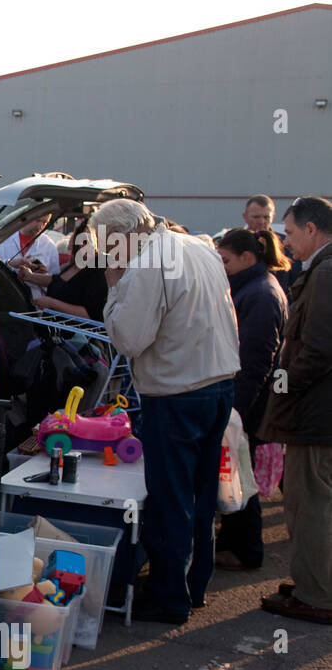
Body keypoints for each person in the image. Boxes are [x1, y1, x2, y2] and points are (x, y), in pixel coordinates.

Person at [95, 199, 240, 623]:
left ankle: (168, 596)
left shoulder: (146, 264)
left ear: (123, 236)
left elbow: (128, 339)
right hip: (216, 384)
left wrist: (114, 287)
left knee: (170, 497)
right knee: (198, 495)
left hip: (177, 393)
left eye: (107, 243)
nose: (106, 252)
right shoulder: (196, 246)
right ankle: (192, 586)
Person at [257, 196, 332, 624]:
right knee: (316, 501)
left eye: (287, 232)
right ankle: (317, 583)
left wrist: (281, 385)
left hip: (316, 414)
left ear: (311, 229)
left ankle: (316, 594)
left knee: (311, 504)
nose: (283, 242)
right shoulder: (321, 270)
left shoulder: (325, 273)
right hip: (317, 411)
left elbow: (319, 348)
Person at [214, 229, 289, 572]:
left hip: (250, 403)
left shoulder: (259, 294)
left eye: (225, 260)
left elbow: (256, 362)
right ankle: (237, 545)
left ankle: (246, 552)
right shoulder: (255, 287)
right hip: (250, 401)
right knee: (240, 475)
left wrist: (237, 411)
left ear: (247, 258)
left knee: (244, 478)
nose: (222, 267)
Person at [31, 227, 109, 320]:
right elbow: (59, 281)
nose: (83, 245)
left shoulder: (99, 268)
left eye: (89, 240)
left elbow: (90, 314)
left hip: (74, 332)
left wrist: (51, 303)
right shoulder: (74, 264)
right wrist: (30, 276)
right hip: (51, 328)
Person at [0, 213, 61, 299]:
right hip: (4, 297)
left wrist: (43, 274)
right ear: (26, 217)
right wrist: (10, 263)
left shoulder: (49, 246)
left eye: (45, 222)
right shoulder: (3, 239)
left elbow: (55, 282)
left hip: (33, 302)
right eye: (38, 220)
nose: (40, 226)